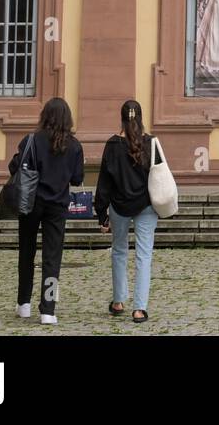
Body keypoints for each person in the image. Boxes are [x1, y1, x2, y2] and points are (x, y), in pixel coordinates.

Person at [10, 97, 84, 326]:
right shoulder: (74, 146)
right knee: (52, 258)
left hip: (31, 203)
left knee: (27, 252)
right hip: (58, 205)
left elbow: (14, 166)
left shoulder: (32, 140)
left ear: (44, 115)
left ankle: (24, 303)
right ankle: (48, 310)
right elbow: (78, 178)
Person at [94, 100, 158, 324]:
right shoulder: (150, 143)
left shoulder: (112, 145)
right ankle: (139, 308)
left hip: (119, 205)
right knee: (144, 255)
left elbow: (104, 183)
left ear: (121, 118)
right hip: (147, 205)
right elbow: (159, 175)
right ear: (140, 117)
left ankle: (119, 301)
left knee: (119, 251)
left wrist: (101, 214)